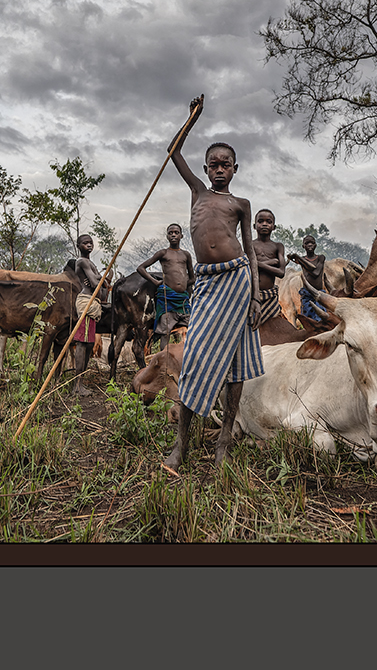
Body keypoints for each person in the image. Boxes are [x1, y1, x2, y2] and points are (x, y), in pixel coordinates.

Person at [162, 94, 263, 473]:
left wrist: (255, 296)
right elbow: (173, 151)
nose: (220, 169)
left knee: (235, 364)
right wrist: (193, 117)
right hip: (206, 285)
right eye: (214, 164)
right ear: (205, 169)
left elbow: (250, 251)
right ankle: (181, 444)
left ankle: (224, 442)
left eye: (226, 164)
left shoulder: (241, 204)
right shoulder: (198, 192)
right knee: (194, 358)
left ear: (235, 169)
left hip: (237, 280)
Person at [68, 233, 111, 396]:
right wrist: (100, 277)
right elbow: (95, 283)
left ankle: (81, 384)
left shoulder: (90, 263)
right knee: (82, 343)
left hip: (93, 304)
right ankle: (77, 385)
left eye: (90, 242)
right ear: (78, 246)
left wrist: (100, 279)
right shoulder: (82, 262)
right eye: (85, 243)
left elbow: (102, 285)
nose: (89, 245)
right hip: (87, 301)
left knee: (88, 344)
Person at [137, 223, 195, 338]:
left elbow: (192, 278)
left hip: (182, 299)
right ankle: (164, 350)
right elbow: (141, 268)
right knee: (164, 332)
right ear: (167, 236)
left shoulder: (186, 255)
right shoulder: (163, 253)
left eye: (176, 233)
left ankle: (185, 349)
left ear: (181, 236)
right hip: (167, 298)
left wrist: (182, 285)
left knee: (191, 330)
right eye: (170, 233)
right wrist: (155, 282)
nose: (173, 235)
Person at [250, 209, 286, 328]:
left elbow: (281, 272)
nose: (264, 224)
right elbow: (247, 267)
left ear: (274, 227)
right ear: (255, 226)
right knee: (249, 327)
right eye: (260, 221)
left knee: (272, 329)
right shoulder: (250, 245)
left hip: (270, 297)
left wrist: (257, 264)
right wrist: (272, 262)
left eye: (268, 222)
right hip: (252, 295)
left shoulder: (278, 246)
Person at [287, 235, 326, 322]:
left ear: (315, 245)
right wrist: (297, 259)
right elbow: (311, 269)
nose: (310, 245)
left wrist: (300, 259)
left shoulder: (320, 258)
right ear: (303, 246)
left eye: (312, 243)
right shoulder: (302, 259)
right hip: (307, 294)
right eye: (307, 243)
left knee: (322, 319)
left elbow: (316, 273)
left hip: (319, 293)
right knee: (308, 320)